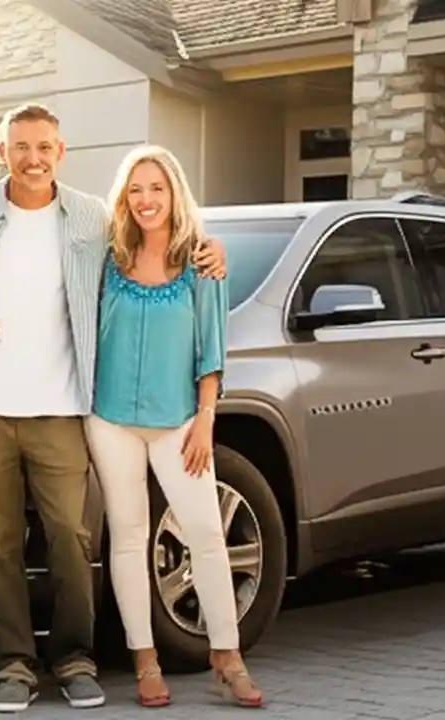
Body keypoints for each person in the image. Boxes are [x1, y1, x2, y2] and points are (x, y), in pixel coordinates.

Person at [0, 103, 226, 713]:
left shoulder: (90, 217)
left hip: (62, 406)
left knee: (69, 537)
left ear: (60, 153)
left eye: (44, 147)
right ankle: (14, 666)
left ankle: (74, 658)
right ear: (3, 153)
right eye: (21, 147)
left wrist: (212, 249)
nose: (32, 158)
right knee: (2, 544)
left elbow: (156, 230)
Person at [84, 145, 264, 709]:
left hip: (179, 421)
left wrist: (206, 419)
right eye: (135, 189)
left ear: (174, 192)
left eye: (156, 188)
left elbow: (211, 349)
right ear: (123, 198)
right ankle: (145, 659)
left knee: (206, 533)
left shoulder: (202, 263)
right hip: (109, 418)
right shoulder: (106, 260)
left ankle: (226, 655)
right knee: (130, 536)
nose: (145, 200)